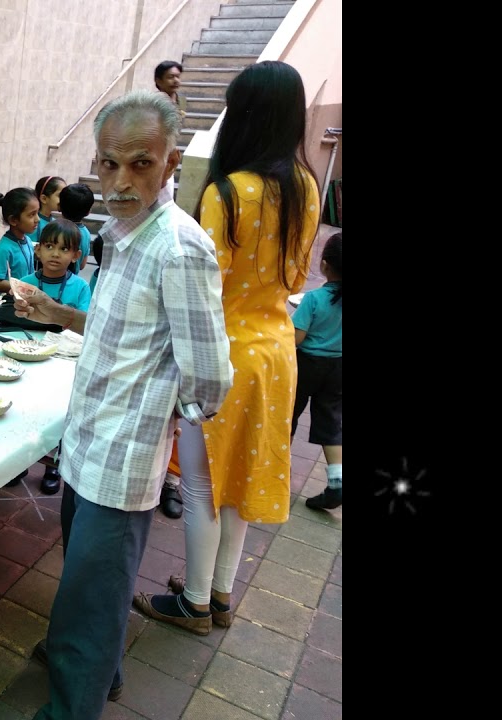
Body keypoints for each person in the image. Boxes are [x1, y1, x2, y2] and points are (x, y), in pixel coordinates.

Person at [16, 89, 231, 719]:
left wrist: (158, 417)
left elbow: (209, 378)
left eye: (141, 164)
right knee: (85, 581)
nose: (121, 181)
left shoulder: (179, 248)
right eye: (109, 164)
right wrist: (57, 313)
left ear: (171, 163)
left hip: (124, 457)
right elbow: (124, 332)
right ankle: (94, 666)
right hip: (87, 441)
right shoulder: (124, 234)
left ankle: (74, 701)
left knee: (95, 594)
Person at [134, 60, 321, 636]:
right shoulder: (307, 185)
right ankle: (218, 594)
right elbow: (296, 280)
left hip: (222, 354)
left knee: (200, 483)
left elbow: (201, 287)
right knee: (240, 481)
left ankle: (193, 602)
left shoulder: (227, 192)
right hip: (276, 354)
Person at [18, 218, 92, 497]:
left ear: (76, 256)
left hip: (62, 363)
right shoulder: (26, 284)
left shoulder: (80, 288)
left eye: (64, 249)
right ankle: (20, 462)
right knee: (27, 408)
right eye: (49, 246)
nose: (55, 254)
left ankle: (54, 465)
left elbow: (84, 326)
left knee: (58, 411)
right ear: (38, 250)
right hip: (29, 357)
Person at [292, 232, 343, 510]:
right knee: (331, 423)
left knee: (288, 415)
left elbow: (297, 338)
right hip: (338, 368)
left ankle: (276, 472)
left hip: (307, 364)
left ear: (324, 265)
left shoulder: (313, 299)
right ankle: (337, 480)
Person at [0, 187, 40, 294]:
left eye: (37, 213)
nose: (37, 219)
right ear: (13, 220)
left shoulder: (28, 241)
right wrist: (23, 287)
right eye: (31, 215)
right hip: (9, 302)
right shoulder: (2, 249)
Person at [154, 61, 185, 198]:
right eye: (171, 77)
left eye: (178, 76)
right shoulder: (154, 101)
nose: (176, 80)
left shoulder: (181, 100)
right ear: (159, 81)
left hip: (170, 151)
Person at [57, 183, 95, 272]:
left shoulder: (53, 229)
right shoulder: (86, 234)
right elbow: (82, 265)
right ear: (88, 212)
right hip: (73, 279)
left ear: (59, 206)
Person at [28, 176, 67, 244]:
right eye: (60, 196)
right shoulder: (34, 223)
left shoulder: (55, 222)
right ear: (44, 199)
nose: (64, 199)